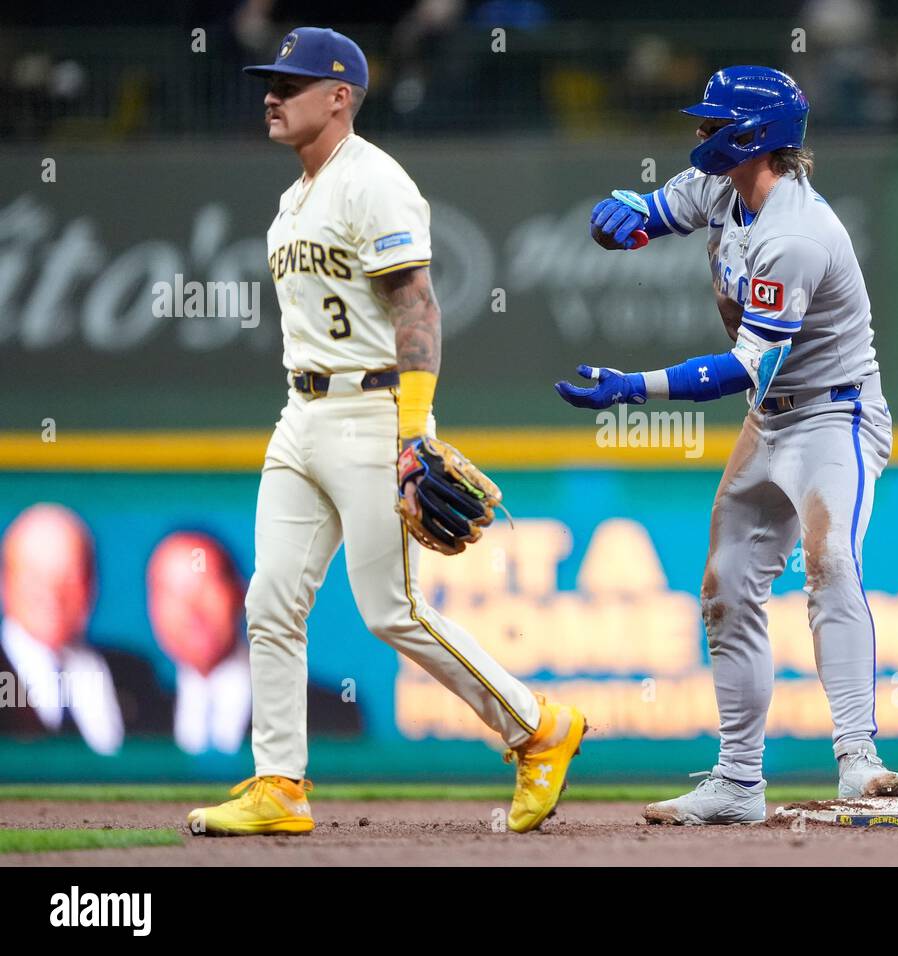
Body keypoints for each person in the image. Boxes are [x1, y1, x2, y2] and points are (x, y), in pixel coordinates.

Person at [187, 27, 585, 837]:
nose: (272, 94)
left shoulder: (375, 183)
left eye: (291, 84)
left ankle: (538, 728)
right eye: (270, 80)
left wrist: (413, 436)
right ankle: (280, 785)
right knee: (269, 601)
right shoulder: (292, 202)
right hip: (300, 414)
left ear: (340, 97)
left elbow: (418, 308)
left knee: (390, 609)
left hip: (373, 411)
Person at [557, 66, 898, 825]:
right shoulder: (720, 189)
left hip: (833, 419)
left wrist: (630, 387)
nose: (699, 136)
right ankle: (739, 782)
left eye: (713, 126)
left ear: (757, 138)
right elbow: (646, 214)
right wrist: (617, 217)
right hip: (770, 418)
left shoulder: (797, 236)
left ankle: (859, 759)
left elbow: (743, 366)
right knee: (725, 588)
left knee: (831, 561)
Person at [146, 530, 361, 755]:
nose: (192, 612)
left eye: (206, 587)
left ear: (241, 592)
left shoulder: (327, 712)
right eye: (171, 593)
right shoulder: (134, 717)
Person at [0, 503, 169, 753]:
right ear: (5, 582)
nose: (52, 594)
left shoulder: (134, 676)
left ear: (92, 582)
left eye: (69, 577)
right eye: (34, 577)